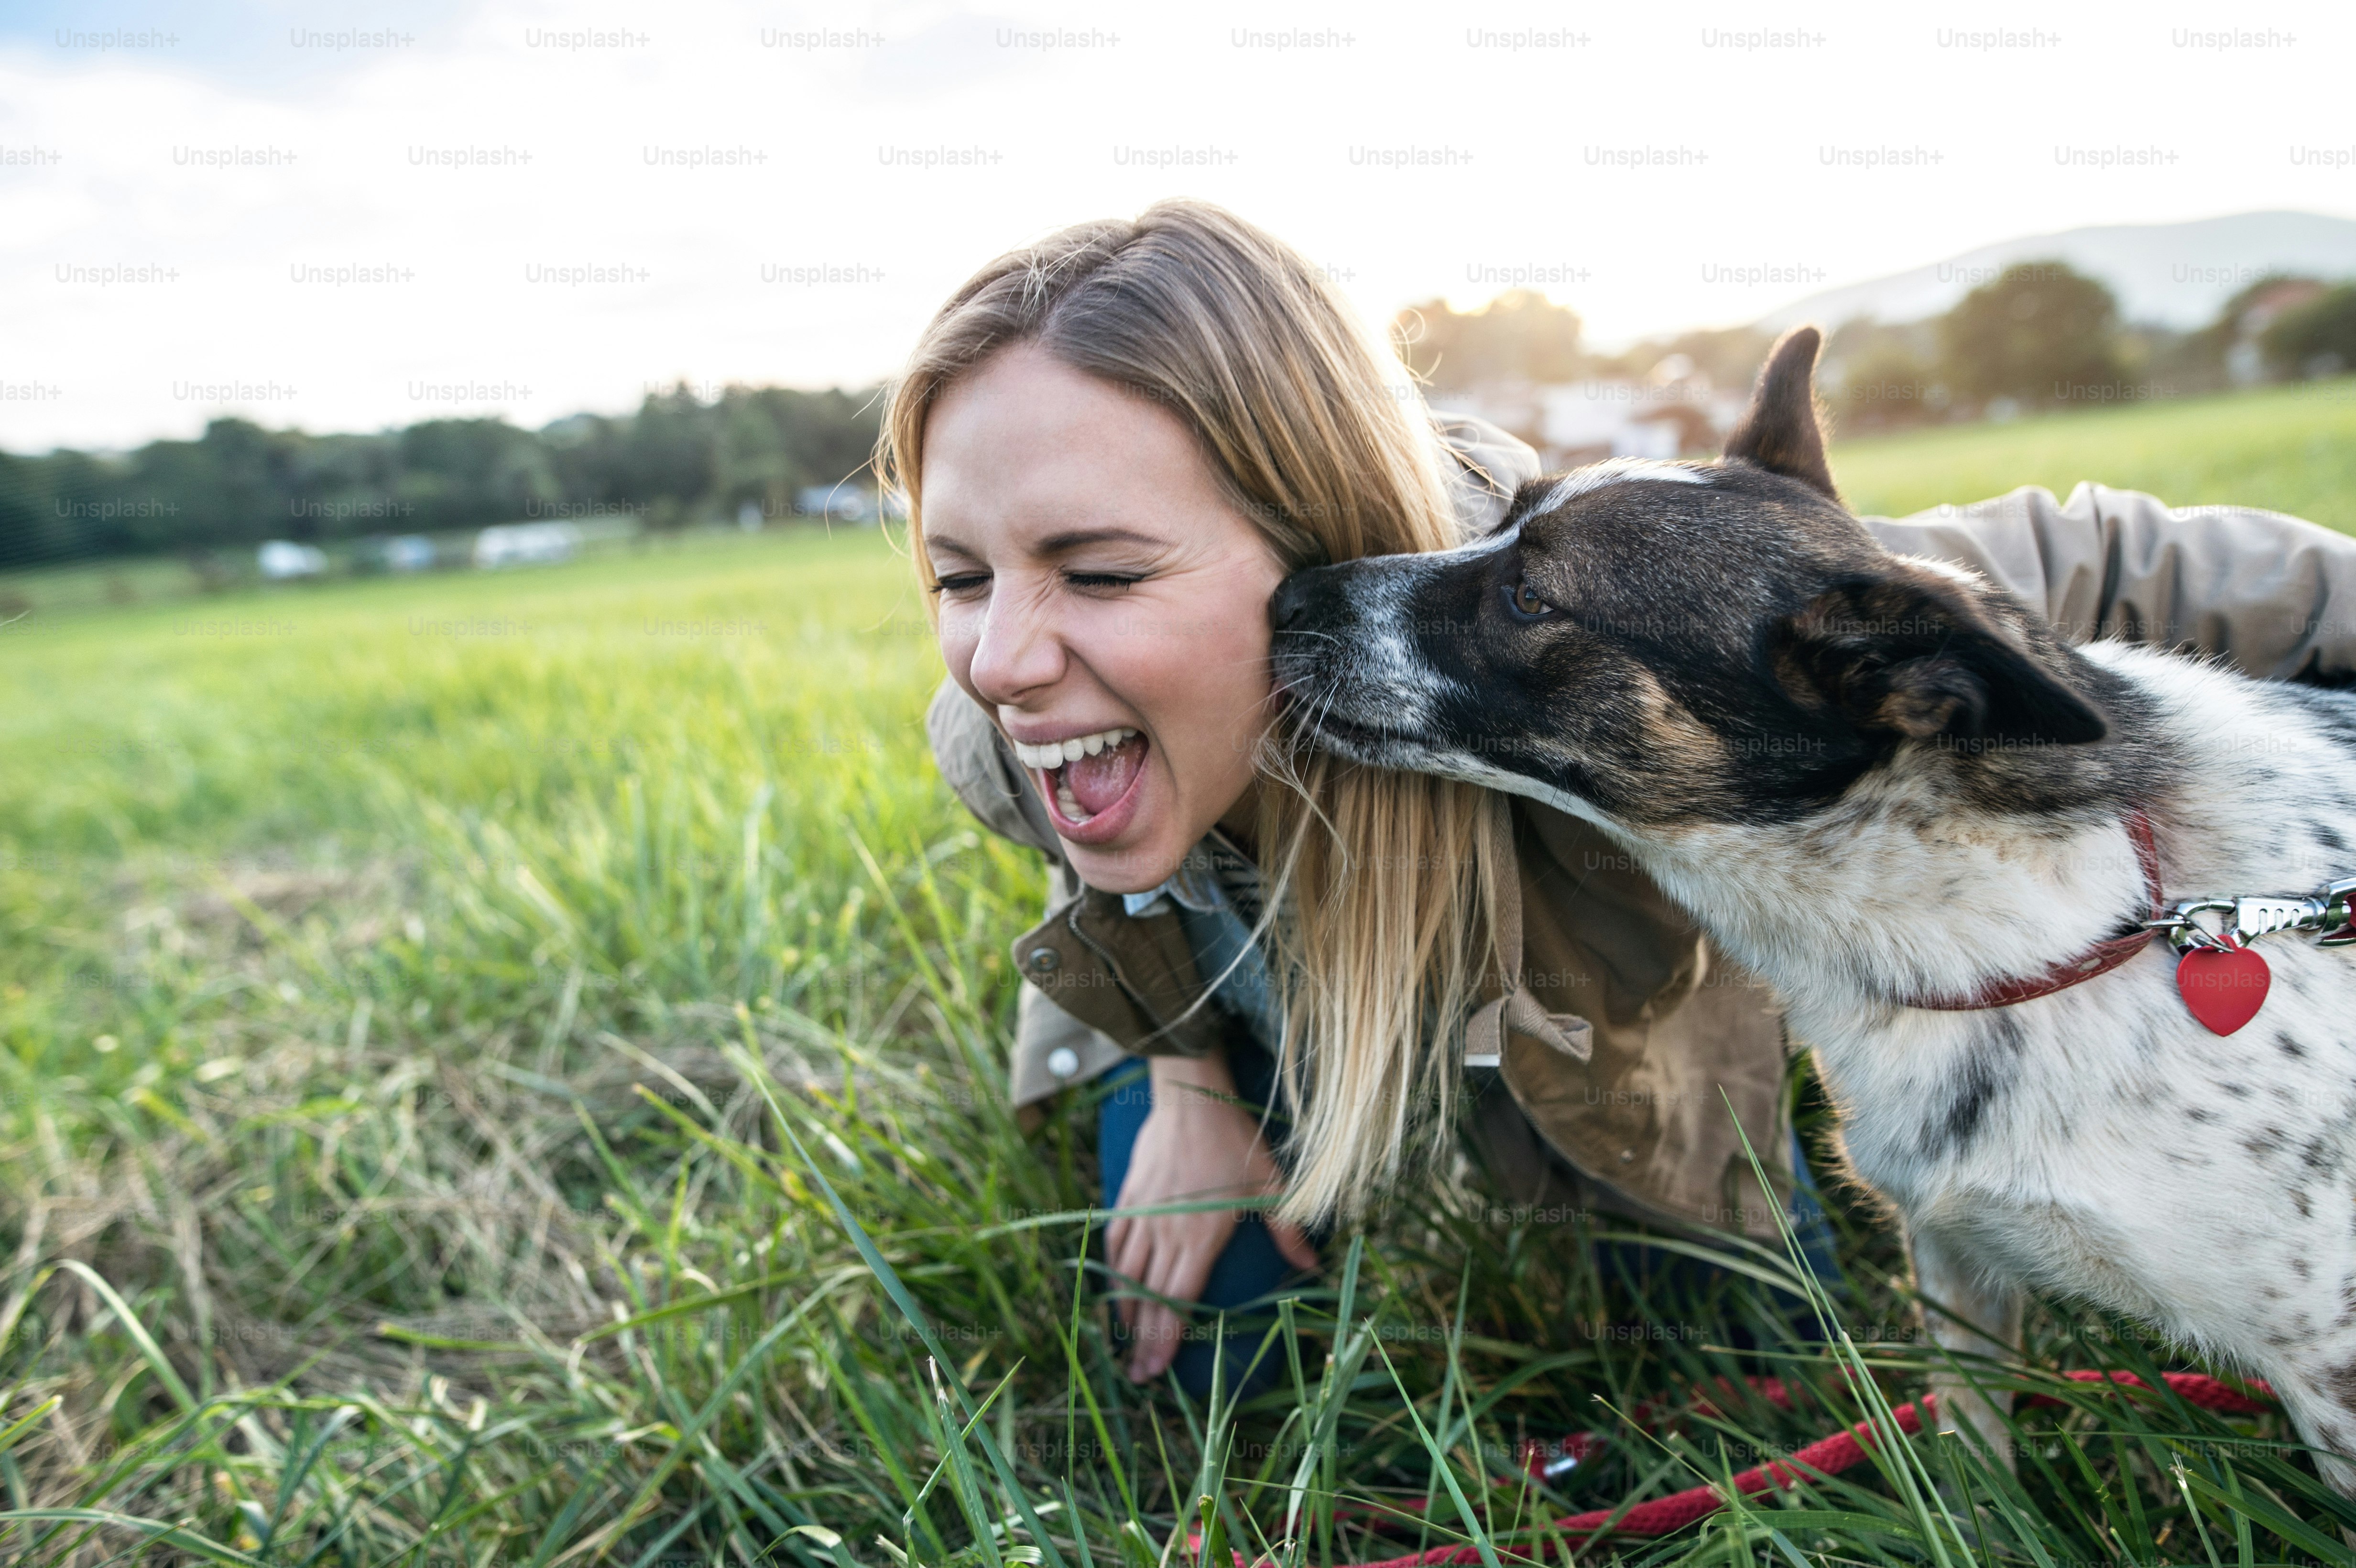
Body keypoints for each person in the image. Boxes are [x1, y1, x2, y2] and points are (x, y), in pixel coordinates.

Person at [880, 199, 2356, 1394]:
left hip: (1594, 1042)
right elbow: (1121, 889)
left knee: (1746, 1365)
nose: (1004, 659)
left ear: (1307, 526)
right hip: (1278, 1000)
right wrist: (1188, 1087)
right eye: (958, 576)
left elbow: (2094, 556)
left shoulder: (1616, 606)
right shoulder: (1009, 733)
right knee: (1210, 1371)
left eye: (1103, 570)